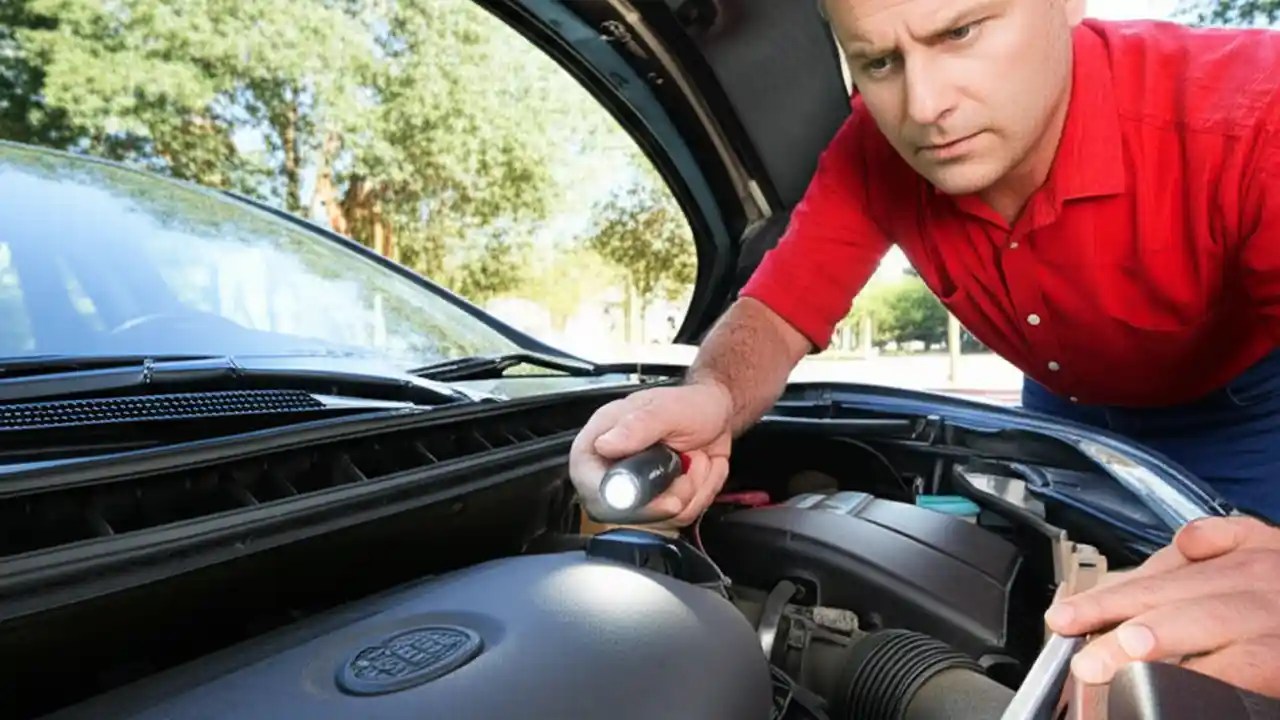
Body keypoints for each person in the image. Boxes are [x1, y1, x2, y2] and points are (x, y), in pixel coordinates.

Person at [568, 0, 1280, 697]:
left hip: (1243, 410)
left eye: (961, 31)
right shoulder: (873, 149)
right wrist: (712, 396)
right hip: (1060, 410)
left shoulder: (1250, 114)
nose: (924, 106)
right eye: (879, 61)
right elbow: (777, 308)